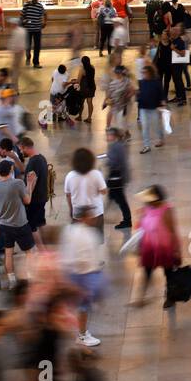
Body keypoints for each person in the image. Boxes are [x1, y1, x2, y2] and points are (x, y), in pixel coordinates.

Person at [60, 204, 105, 347]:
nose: (93, 217)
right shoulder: (86, 234)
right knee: (83, 307)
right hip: (82, 276)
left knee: (80, 307)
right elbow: (83, 258)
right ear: (83, 217)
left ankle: (79, 332)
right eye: (90, 215)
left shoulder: (69, 230)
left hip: (75, 274)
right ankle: (82, 335)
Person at [131, 185, 181, 309]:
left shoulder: (167, 210)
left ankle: (170, 298)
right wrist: (139, 246)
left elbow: (173, 231)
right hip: (149, 248)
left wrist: (177, 249)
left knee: (168, 274)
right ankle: (140, 298)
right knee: (146, 272)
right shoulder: (146, 209)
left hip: (165, 249)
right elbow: (141, 228)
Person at [0, 157, 34, 286]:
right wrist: (30, 183)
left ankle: (12, 280)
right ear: (11, 169)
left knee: (8, 253)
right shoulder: (17, 183)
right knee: (29, 252)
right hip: (21, 223)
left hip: (4, 225)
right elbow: (27, 201)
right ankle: (30, 277)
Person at [64, 146, 108, 235]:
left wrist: (71, 209)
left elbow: (68, 195)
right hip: (95, 212)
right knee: (96, 239)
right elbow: (104, 191)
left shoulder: (70, 176)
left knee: (79, 239)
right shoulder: (96, 174)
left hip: (78, 212)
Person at [102, 126, 132, 230]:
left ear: (114, 136)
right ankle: (103, 214)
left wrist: (107, 162)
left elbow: (115, 162)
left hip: (117, 178)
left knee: (120, 199)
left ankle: (127, 220)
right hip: (118, 177)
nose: (107, 137)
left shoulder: (116, 146)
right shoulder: (118, 145)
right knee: (112, 197)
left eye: (109, 135)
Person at [135, 65, 165, 153]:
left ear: (150, 73)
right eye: (142, 73)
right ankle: (146, 145)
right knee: (145, 126)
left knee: (156, 125)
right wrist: (136, 94)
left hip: (153, 107)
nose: (143, 74)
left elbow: (161, 93)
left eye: (145, 73)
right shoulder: (141, 82)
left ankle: (160, 138)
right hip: (143, 108)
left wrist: (163, 102)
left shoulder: (156, 82)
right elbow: (139, 95)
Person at [20, 0, 46, 68]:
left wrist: (45, 22)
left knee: (37, 46)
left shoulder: (40, 6)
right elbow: (21, 15)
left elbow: (45, 14)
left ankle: (36, 62)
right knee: (27, 45)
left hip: (37, 29)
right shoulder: (27, 5)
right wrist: (23, 21)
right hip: (28, 29)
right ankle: (28, 57)